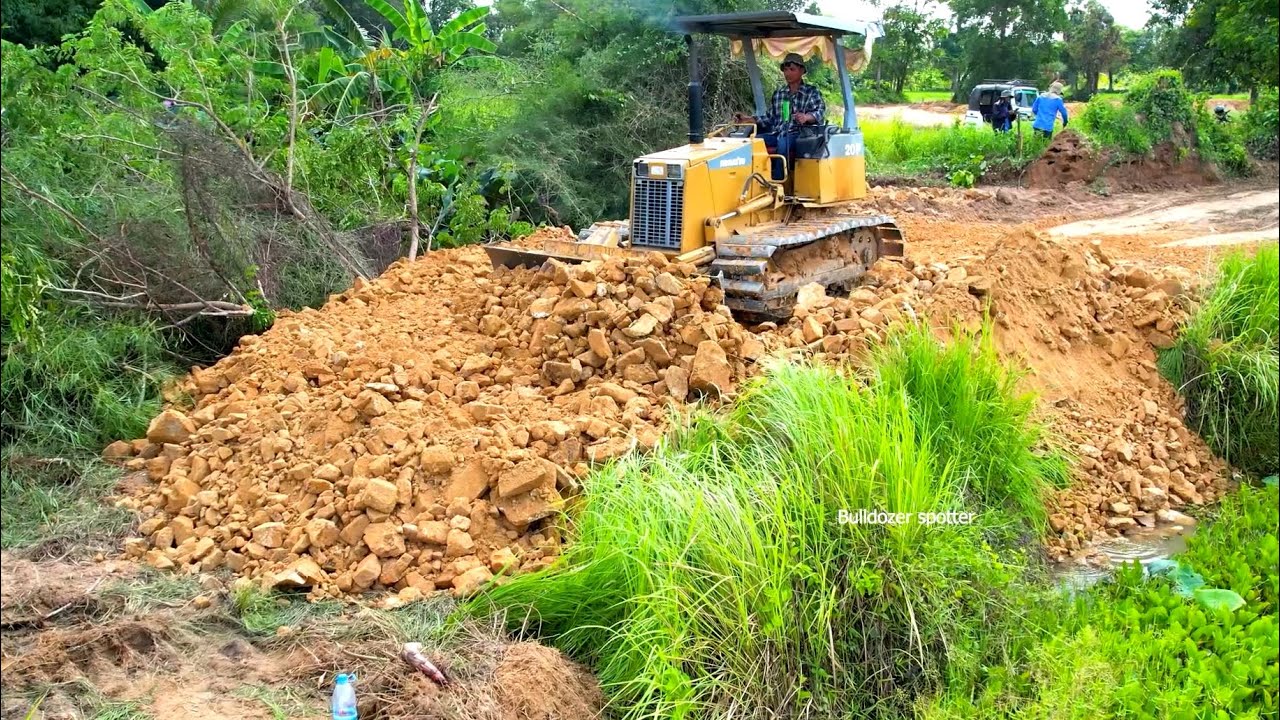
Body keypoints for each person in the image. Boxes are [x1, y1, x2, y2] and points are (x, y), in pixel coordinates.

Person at [735, 52, 826, 179]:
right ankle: (754, 177)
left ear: (801, 71)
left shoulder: (811, 92)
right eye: (785, 69)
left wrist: (806, 117)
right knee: (753, 141)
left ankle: (778, 181)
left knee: (783, 143)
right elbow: (770, 118)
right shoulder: (779, 93)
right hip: (779, 133)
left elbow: (820, 112)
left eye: (792, 69)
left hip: (800, 134)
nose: (787, 73)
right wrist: (748, 119)